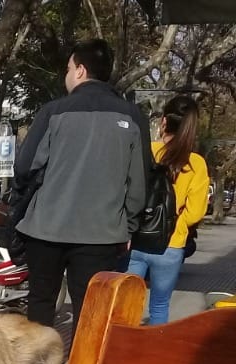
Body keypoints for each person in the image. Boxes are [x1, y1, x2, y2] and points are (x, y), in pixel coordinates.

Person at [12, 39, 152, 328]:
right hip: (100, 235)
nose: (66, 75)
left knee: (40, 302)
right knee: (89, 312)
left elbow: (24, 167)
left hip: (45, 229)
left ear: (80, 70)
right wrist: (130, 226)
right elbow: (139, 182)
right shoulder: (133, 116)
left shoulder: (53, 112)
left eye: (68, 68)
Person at [126, 95, 209, 325]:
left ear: (163, 123)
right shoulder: (195, 163)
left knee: (125, 305)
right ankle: (151, 356)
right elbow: (195, 213)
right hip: (171, 246)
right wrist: (176, 226)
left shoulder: (145, 152)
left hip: (136, 239)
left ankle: (120, 352)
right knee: (160, 307)